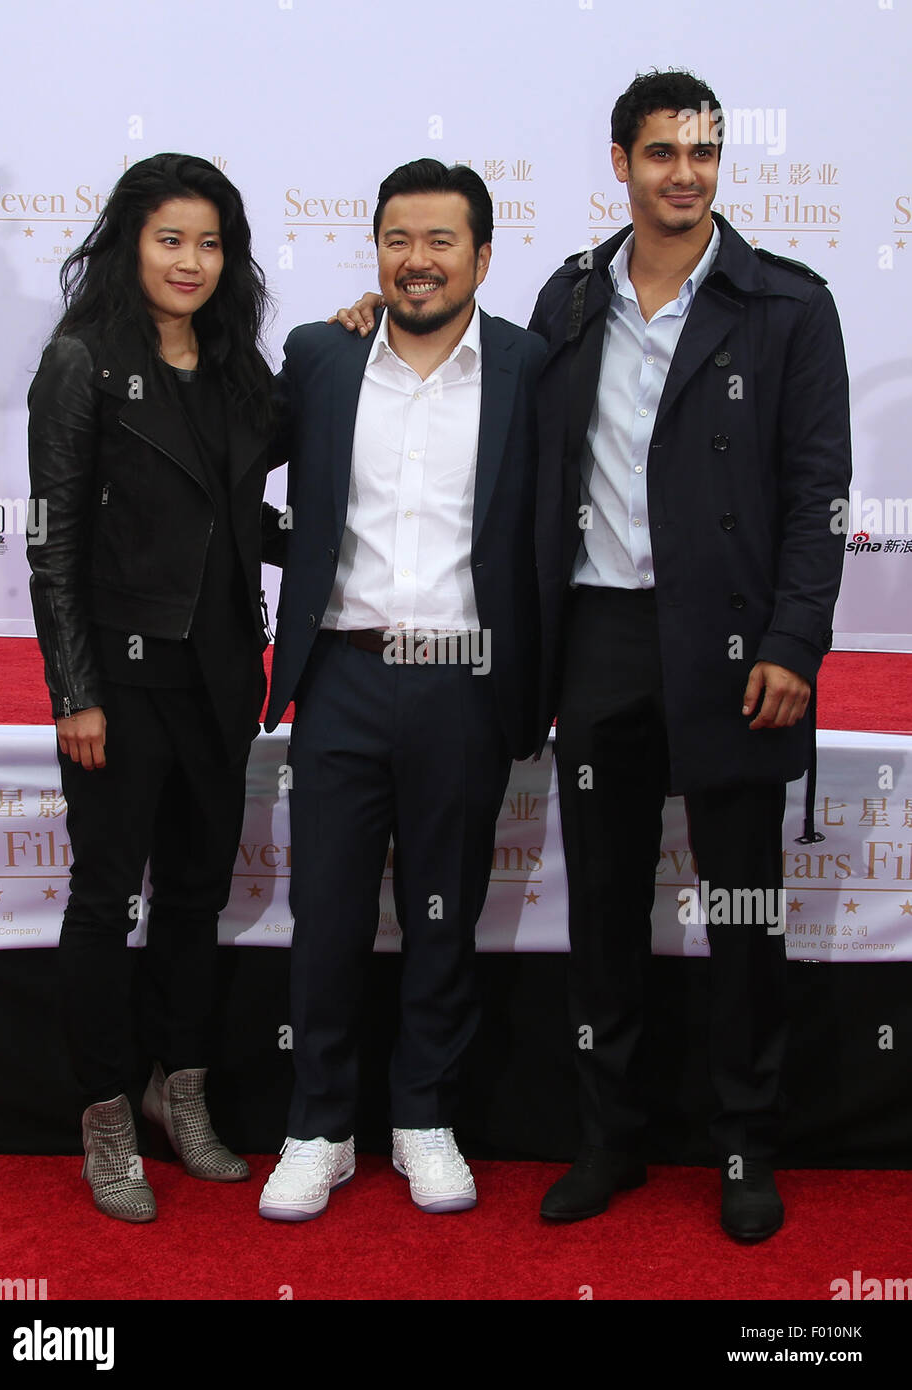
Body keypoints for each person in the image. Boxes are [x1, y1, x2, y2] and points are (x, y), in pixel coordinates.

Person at [337, 71, 851, 1242]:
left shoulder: (786, 304)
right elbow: (477, 376)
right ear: (618, 161)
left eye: (704, 153)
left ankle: (742, 1143)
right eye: (662, 151)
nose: (685, 172)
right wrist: (372, 323)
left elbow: (819, 490)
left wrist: (792, 641)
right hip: (599, 637)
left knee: (744, 908)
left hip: (733, 645)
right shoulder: (570, 297)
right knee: (607, 911)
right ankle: (609, 1137)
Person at [257, 158, 545, 1221]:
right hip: (343, 671)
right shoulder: (322, 357)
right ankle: (316, 1124)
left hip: (463, 683)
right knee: (324, 911)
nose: (416, 260)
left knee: (443, 913)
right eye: (397, 239)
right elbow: (235, 464)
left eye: (439, 240)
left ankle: (424, 1114)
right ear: (374, 248)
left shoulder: (528, 364)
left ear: (480, 251)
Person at [27, 153, 285, 1222]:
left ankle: (180, 1091)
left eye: (211, 242)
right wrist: (73, 691)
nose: (192, 261)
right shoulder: (82, 360)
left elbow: (238, 514)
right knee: (104, 898)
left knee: (193, 895)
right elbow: (56, 546)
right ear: (131, 241)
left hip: (221, 669)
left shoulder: (235, 368)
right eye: (171, 238)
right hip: (119, 682)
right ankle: (105, 1118)